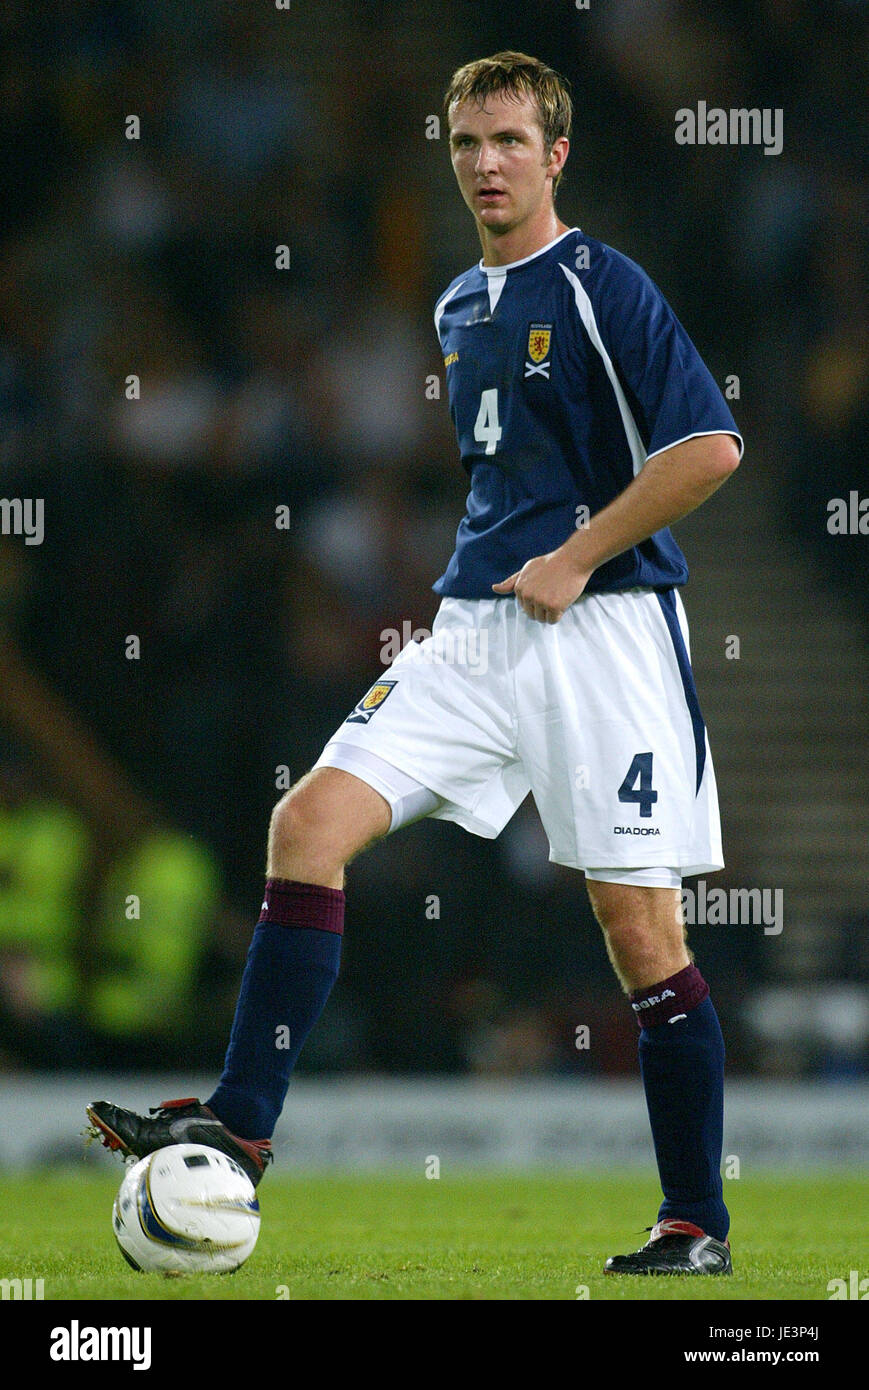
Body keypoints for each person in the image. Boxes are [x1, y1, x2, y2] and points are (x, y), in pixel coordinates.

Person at [88, 51, 742, 1277]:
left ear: (555, 155)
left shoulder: (603, 284)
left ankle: (692, 1222)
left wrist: (577, 554)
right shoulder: (456, 303)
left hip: (604, 636)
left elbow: (708, 446)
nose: (484, 163)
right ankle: (239, 1126)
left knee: (641, 933)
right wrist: (483, 577)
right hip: (474, 633)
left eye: (507, 142)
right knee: (308, 823)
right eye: (463, 143)